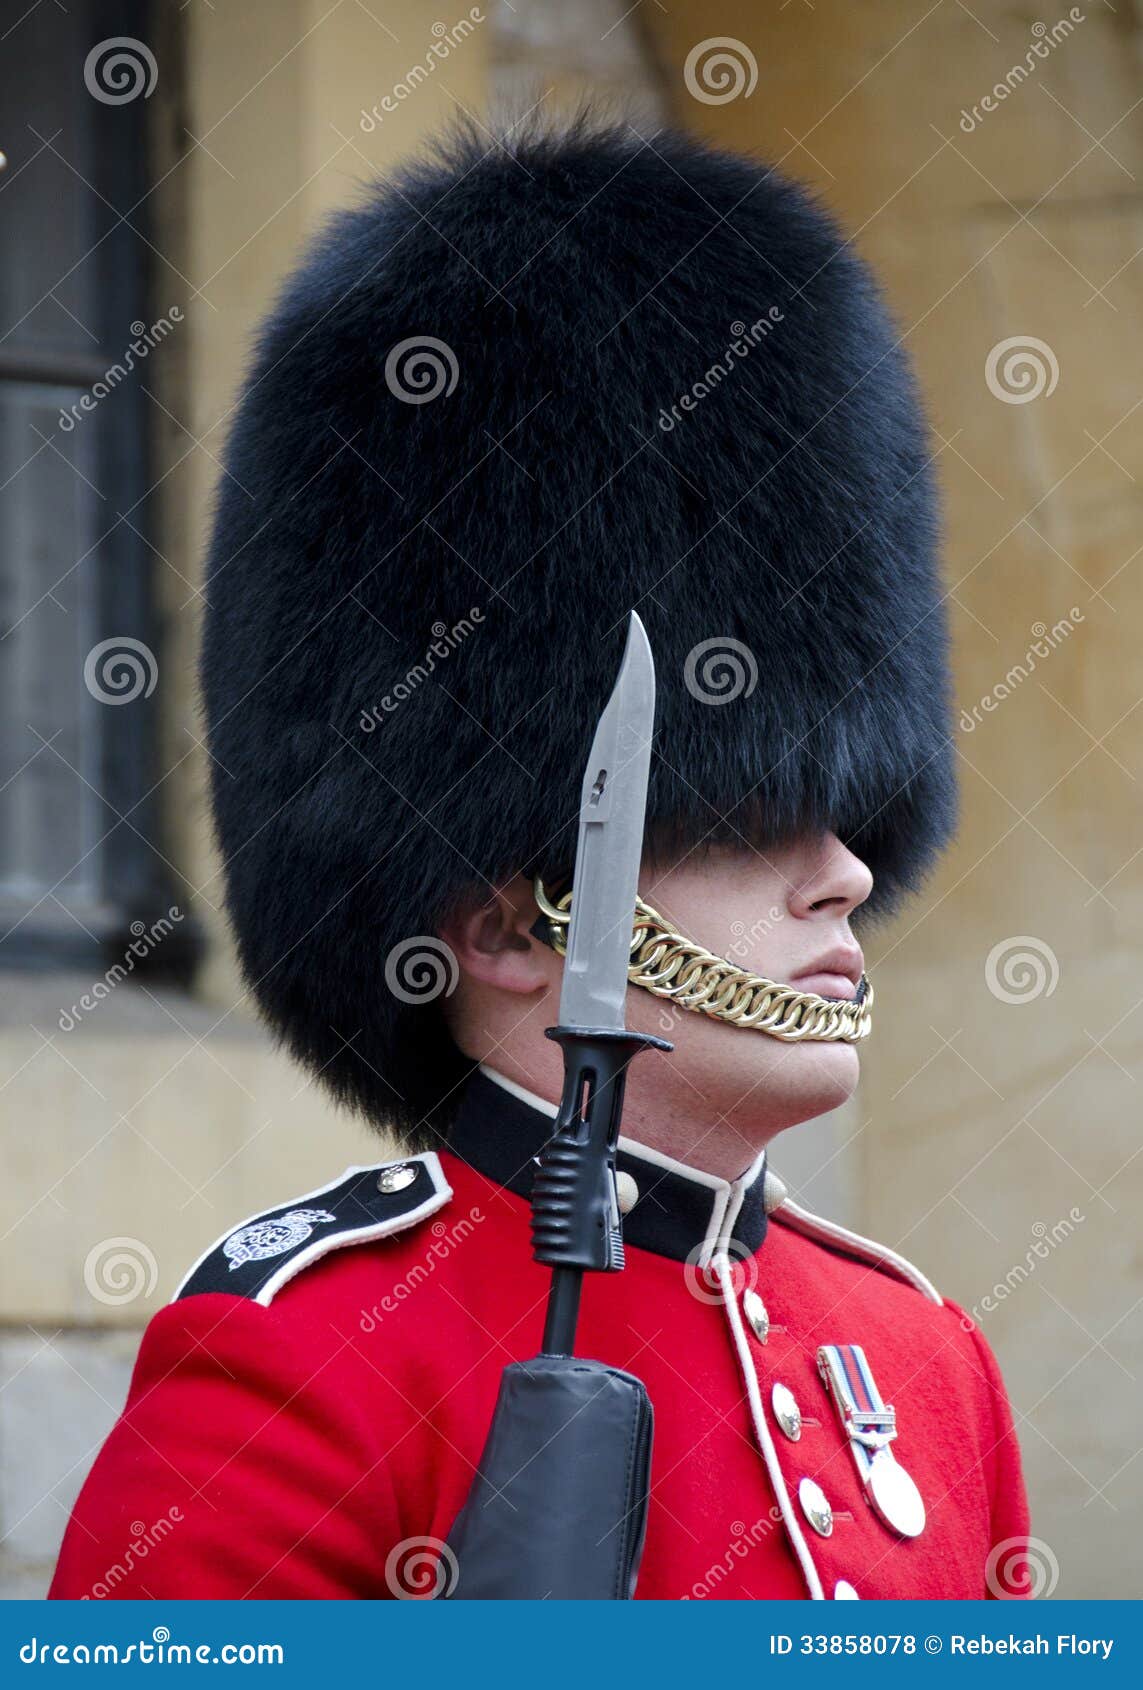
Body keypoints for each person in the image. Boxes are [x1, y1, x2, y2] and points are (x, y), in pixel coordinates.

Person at [49, 118, 1028, 1602]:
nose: (843, 872)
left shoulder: (923, 1361)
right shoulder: (306, 1357)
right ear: (511, 921)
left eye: (846, 811)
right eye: (745, 813)